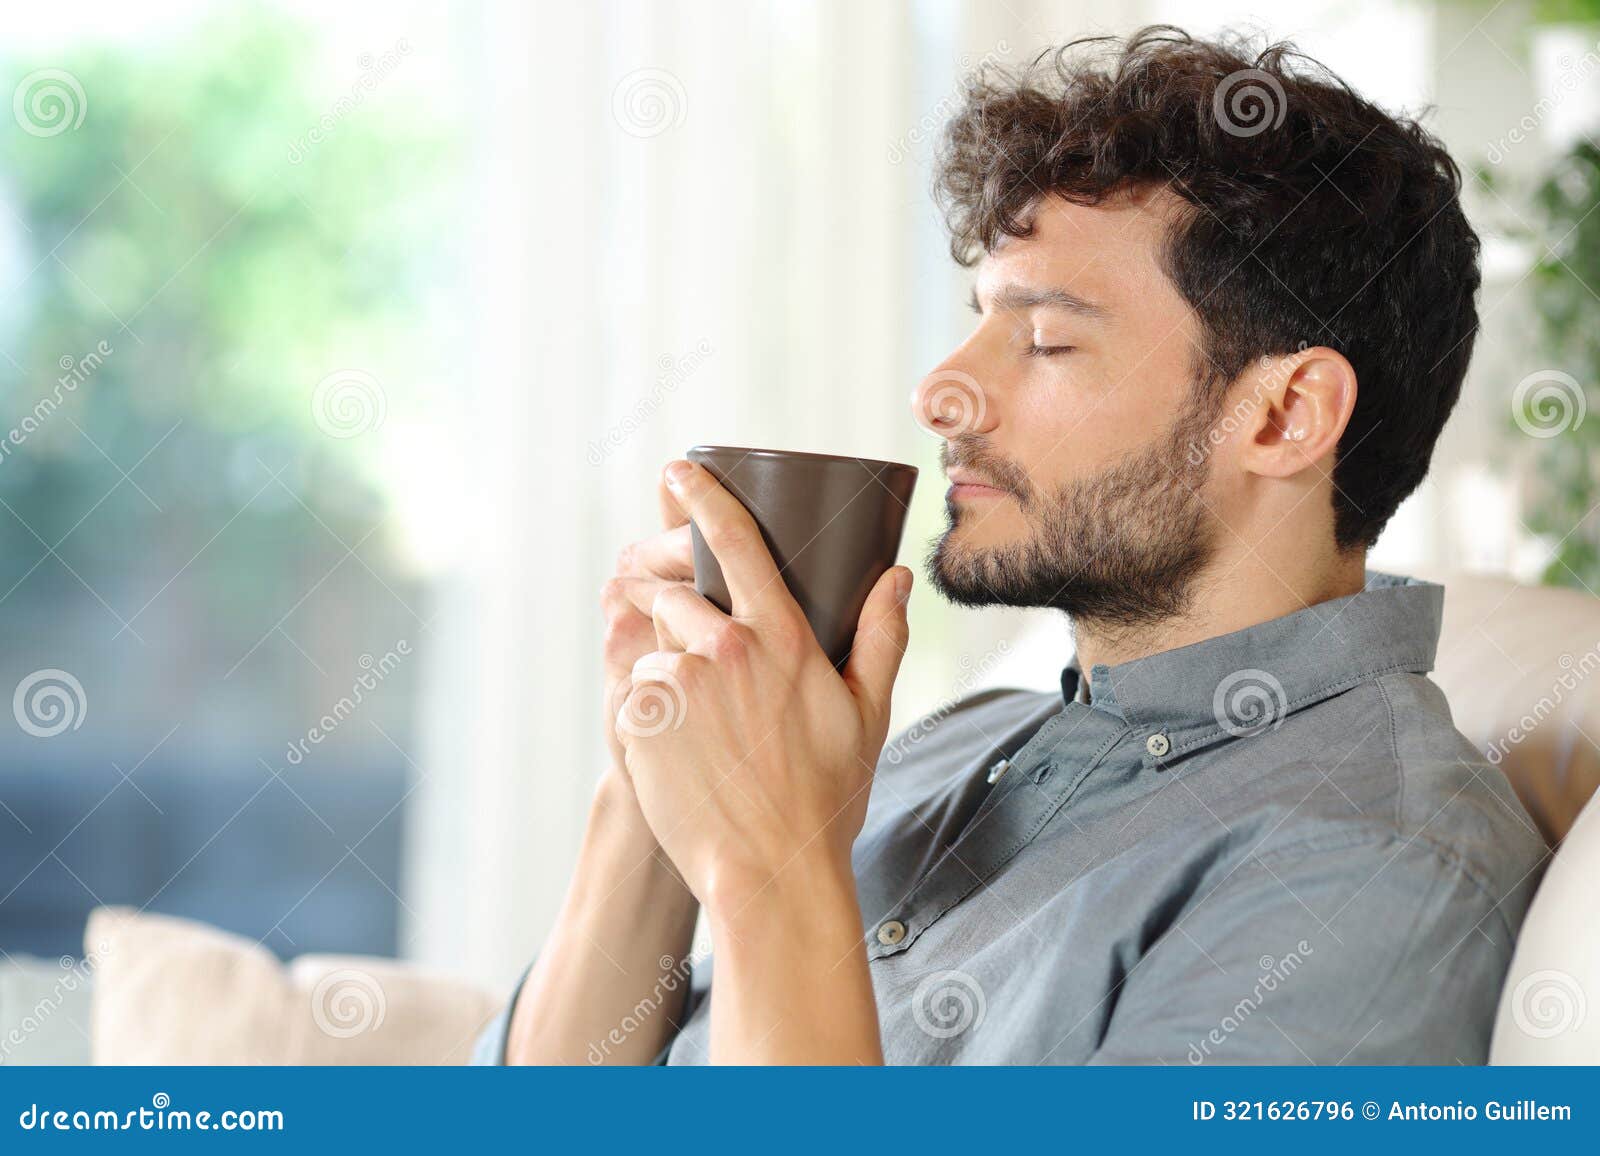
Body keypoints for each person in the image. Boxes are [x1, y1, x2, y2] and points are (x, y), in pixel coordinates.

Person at [478, 26, 1546, 1065]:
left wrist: (767, 868)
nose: (939, 393)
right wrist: (652, 781)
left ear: (1282, 416)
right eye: (978, 322)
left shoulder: (1368, 863)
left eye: (1042, 338)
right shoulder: (947, 744)